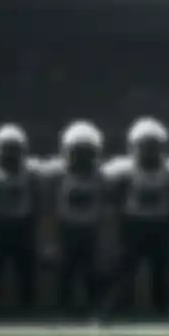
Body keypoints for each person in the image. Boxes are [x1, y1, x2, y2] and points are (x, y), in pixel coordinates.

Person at [105, 116, 169, 316]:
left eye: (153, 146)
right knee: (126, 269)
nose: (149, 151)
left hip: (160, 224)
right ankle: (121, 306)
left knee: (161, 269)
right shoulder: (122, 170)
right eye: (145, 146)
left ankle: (163, 306)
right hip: (134, 224)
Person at [47, 120, 108, 315]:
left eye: (86, 152)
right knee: (66, 271)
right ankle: (63, 307)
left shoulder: (102, 176)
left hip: (90, 229)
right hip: (68, 229)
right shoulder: (57, 174)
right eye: (78, 152)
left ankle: (95, 306)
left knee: (92, 272)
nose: (82, 157)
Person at [0, 123, 41, 314]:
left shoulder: (31, 172)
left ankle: (29, 307)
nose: (11, 154)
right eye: (7, 149)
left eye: (14, 149)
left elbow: (38, 200)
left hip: (23, 225)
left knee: (26, 271)